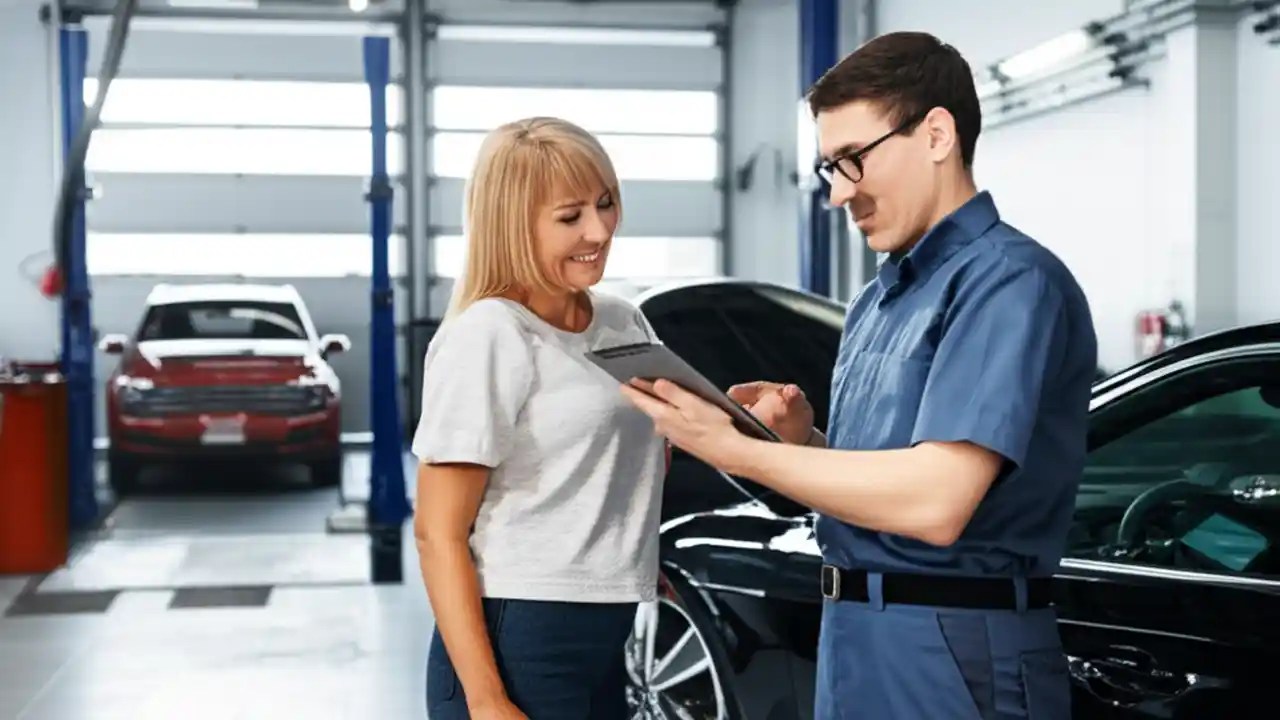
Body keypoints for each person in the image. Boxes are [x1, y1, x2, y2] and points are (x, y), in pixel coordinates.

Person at [622, 31, 1097, 720]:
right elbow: (877, 480)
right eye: (829, 169)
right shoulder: (880, 299)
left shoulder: (1009, 284)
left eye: (853, 160)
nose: (839, 194)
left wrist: (735, 450)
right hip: (853, 635)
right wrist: (797, 444)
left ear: (936, 135)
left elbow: (936, 501)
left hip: (953, 645)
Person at [411, 116, 667, 719]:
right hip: (518, 635)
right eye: (570, 216)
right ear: (513, 225)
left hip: (609, 628)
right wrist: (486, 700)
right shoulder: (490, 334)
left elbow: (650, 449)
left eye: (606, 203)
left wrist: (629, 556)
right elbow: (437, 534)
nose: (599, 230)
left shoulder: (623, 321)